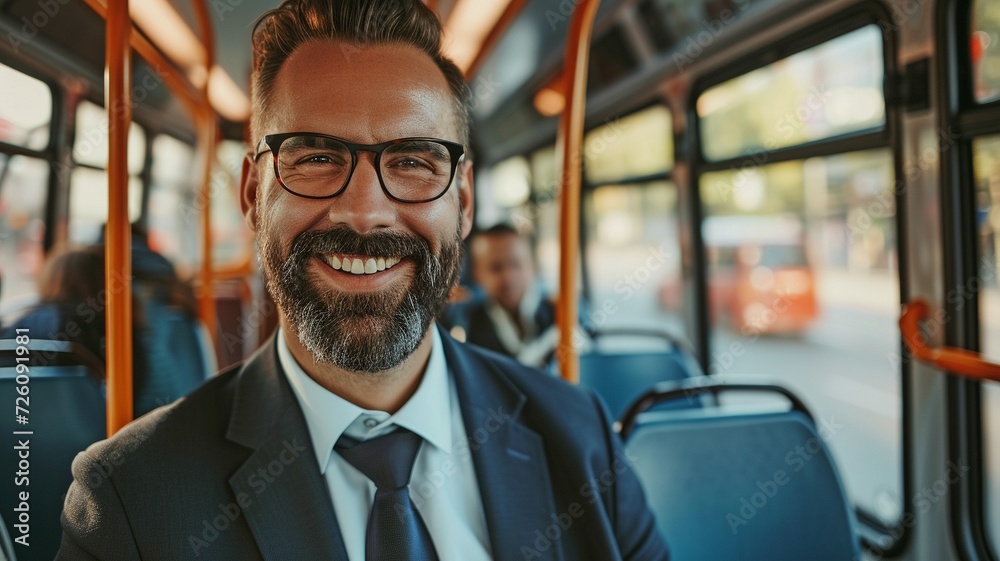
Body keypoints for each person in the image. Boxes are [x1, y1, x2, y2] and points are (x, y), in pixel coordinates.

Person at [57, 1, 670, 559]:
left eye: (411, 161)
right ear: (252, 194)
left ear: (463, 202)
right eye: (317, 157)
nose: (365, 212)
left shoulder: (582, 439)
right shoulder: (131, 502)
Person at [465, 224, 560, 367]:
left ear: (533, 265)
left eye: (516, 264)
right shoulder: (466, 325)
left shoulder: (562, 313)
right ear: (478, 273)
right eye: (496, 268)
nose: (508, 277)